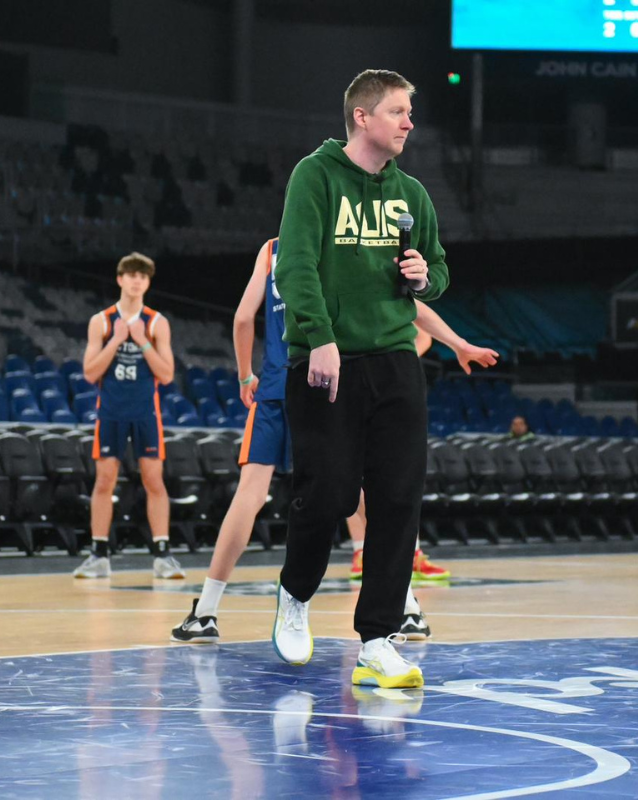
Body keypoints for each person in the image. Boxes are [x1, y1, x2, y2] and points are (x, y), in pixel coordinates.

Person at [270, 69, 450, 689]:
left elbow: (439, 274)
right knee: (330, 493)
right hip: (327, 360)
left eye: (409, 112)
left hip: (397, 361)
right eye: (398, 111)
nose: (409, 122)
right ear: (362, 118)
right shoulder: (314, 177)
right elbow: (292, 264)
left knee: (399, 501)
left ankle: (378, 638)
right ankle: (295, 595)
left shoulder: (414, 195)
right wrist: (319, 336)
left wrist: (425, 276)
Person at [170, 237, 286, 641]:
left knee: (250, 495)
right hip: (325, 385)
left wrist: (244, 375)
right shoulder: (343, 239)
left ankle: (206, 611)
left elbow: (241, 319)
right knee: (355, 491)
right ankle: (405, 607)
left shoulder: (272, 249)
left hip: (273, 389)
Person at [347, 301, 500, 585]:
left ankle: (375, 553)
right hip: (357, 382)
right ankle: (388, 553)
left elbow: (423, 333)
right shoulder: (358, 275)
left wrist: (392, 363)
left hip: (372, 381)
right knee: (373, 476)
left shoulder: (380, 288)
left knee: (368, 475)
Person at [73, 252, 183, 579]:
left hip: (146, 413)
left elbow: (166, 375)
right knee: (104, 481)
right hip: (110, 412)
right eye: (132, 274)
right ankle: (99, 554)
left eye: (143, 276)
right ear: (120, 279)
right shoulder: (102, 321)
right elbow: (90, 373)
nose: (137, 280)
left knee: (153, 481)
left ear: (148, 283)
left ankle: (162, 555)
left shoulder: (157, 323)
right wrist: (118, 340)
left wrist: (141, 343)